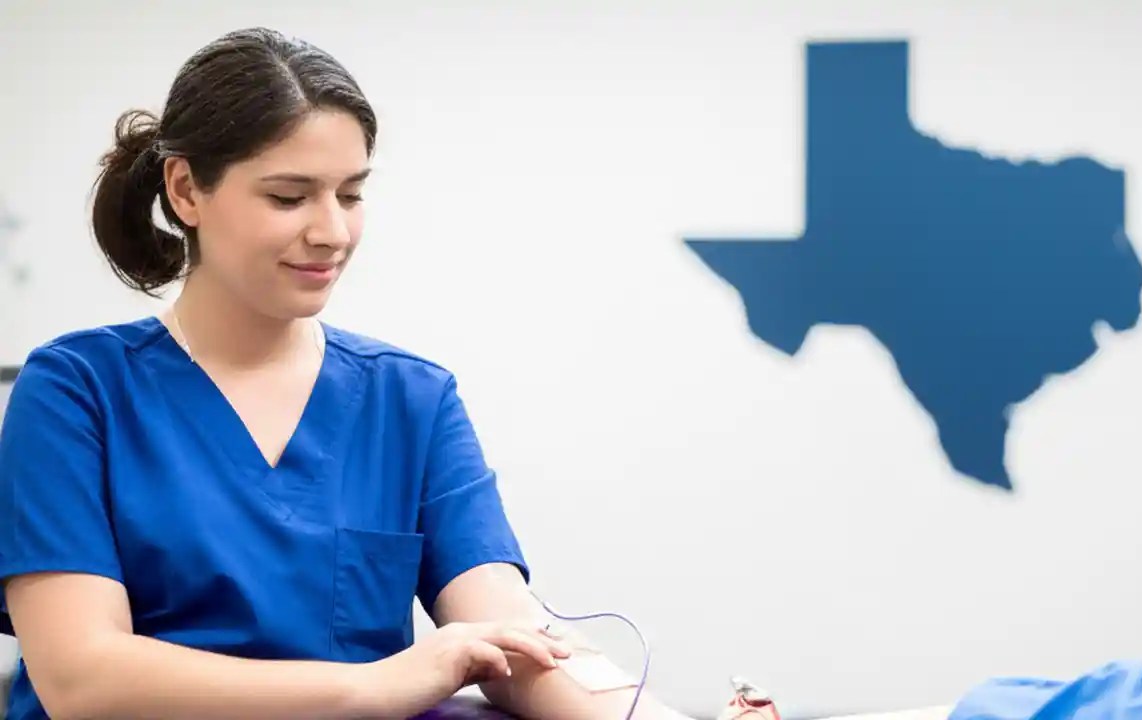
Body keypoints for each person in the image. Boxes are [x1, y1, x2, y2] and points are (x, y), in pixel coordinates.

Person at [0, 27, 689, 720]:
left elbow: (509, 638)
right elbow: (82, 679)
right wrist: (376, 686)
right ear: (185, 190)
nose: (332, 231)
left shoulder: (411, 400)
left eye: (351, 195)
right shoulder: (75, 392)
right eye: (289, 197)